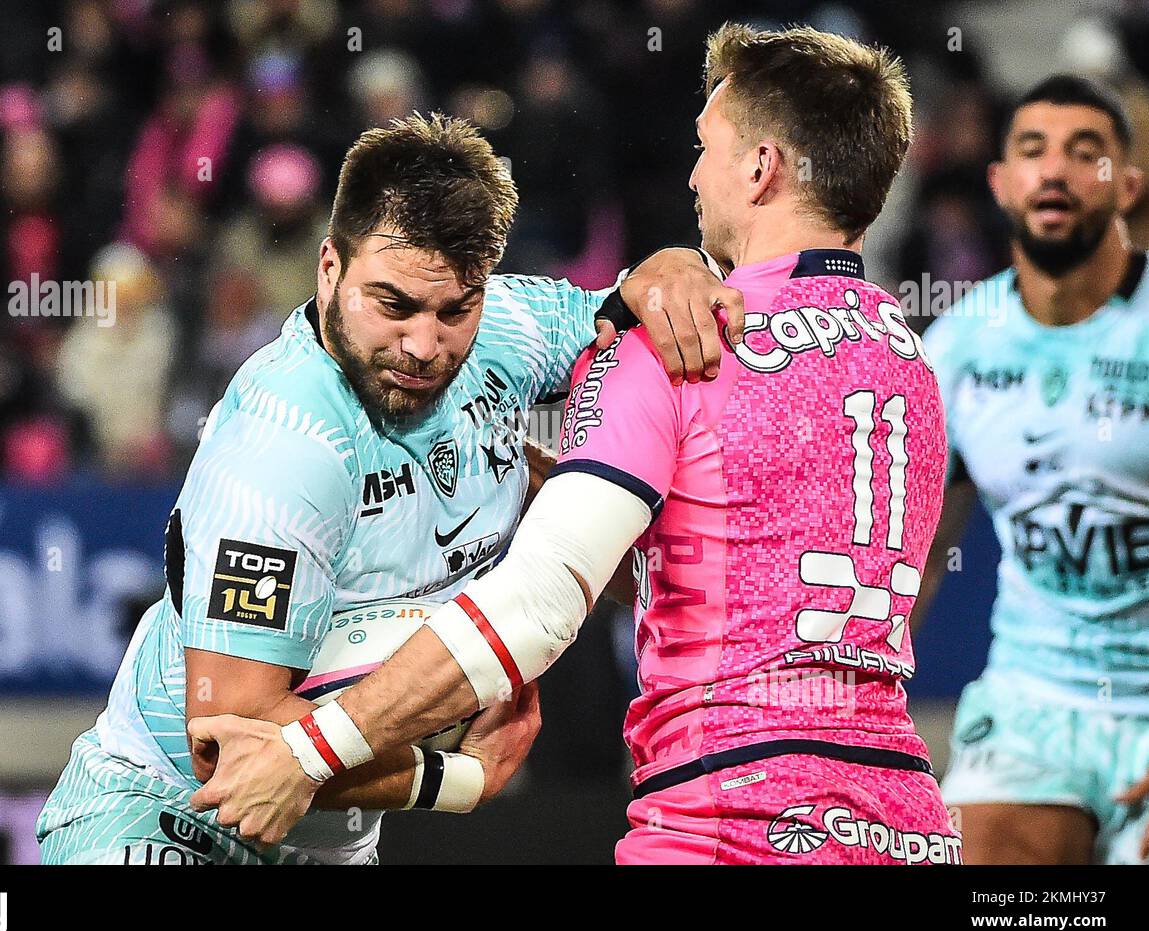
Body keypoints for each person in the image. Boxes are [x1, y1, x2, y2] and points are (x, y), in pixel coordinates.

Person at [191, 24, 963, 865]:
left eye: (707, 147)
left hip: (730, 820)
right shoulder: (912, 357)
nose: (694, 173)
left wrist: (306, 757)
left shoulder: (677, 347)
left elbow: (539, 605)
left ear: (761, 167)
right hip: (906, 819)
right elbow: (736, 571)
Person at [36, 112, 741, 865]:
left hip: (332, 847)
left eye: (454, 309)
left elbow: (631, 310)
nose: (423, 345)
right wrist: (459, 779)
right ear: (329, 268)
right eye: (393, 305)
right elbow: (230, 748)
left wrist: (675, 267)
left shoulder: (507, 324)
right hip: (168, 815)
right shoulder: (281, 451)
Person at [915, 75, 1149, 865]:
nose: (1054, 170)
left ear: (1127, 183)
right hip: (1031, 700)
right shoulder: (958, 345)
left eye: (1084, 153)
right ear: (1000, 182)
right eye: (1032, 150)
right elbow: (907, 561)